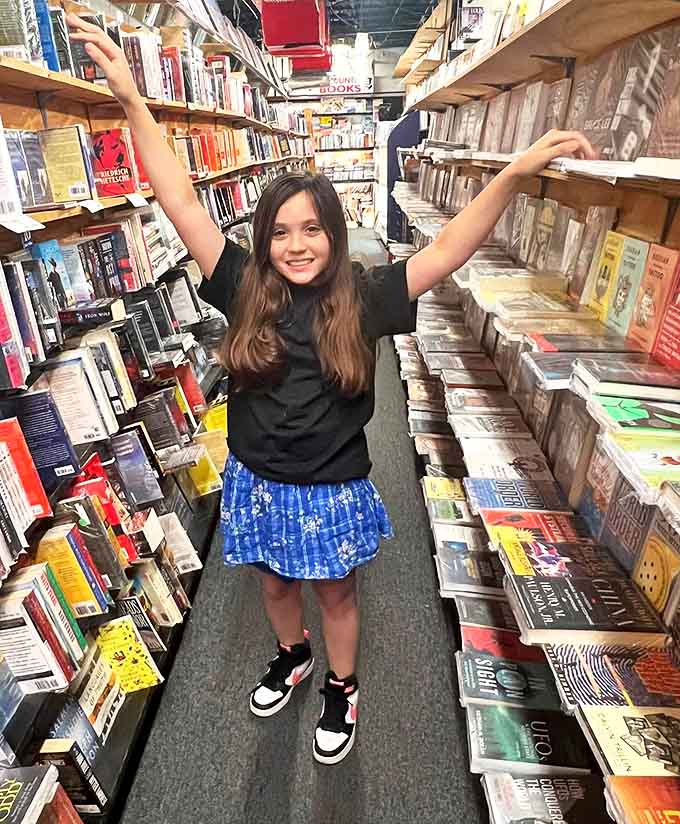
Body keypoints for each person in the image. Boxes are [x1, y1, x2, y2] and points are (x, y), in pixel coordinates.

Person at [67, 14, 596, 766]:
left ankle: (342, 686)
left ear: (334, 233)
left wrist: (509, 175)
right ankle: (293, 654)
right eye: (280, 231)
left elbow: (447, 248)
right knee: (276, 587)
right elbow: (182, 200)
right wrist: (130, 100)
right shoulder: (243, 285)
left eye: (311, 228)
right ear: (263, 238)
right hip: (257, 477)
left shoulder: (367, 295)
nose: (296, 244)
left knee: (338, 594)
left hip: (329, 485)